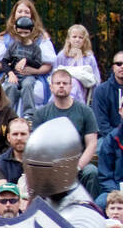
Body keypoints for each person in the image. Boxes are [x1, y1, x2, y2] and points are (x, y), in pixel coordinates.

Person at [31, 67, 101, 197]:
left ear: (71, 86)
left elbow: (92, 143)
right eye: (58, 83)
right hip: (50, 165)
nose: (61, 86)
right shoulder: (41, 114)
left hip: (78, 164)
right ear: (51, 87)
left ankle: (93, 211)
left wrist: (78, 167)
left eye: (65, 83)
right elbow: (37, 146)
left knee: (91, 172)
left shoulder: (85, 111)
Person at [0, 0, 55, 116]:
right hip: (10, 75)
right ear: (14, 15)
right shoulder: (6, 38)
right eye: (20, 11)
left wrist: (33, 71)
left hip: (34, 76)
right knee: (8, 88)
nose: (23, 14)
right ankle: (6, 117)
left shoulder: (41, 38)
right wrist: (11, 71)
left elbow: (48, 65)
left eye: (26, 12)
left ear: (32, 16)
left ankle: (29, 117)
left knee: (32, 89)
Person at [54, 25, 100, 106]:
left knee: (74, 82)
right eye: (74, 37)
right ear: (69, 39)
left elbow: (96, 79)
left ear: (84, 40)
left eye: (80, 37)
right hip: (62, 87)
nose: (77, 40)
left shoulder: (89, 57)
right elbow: (54, 73)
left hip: (83, 88)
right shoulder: (62, 55)